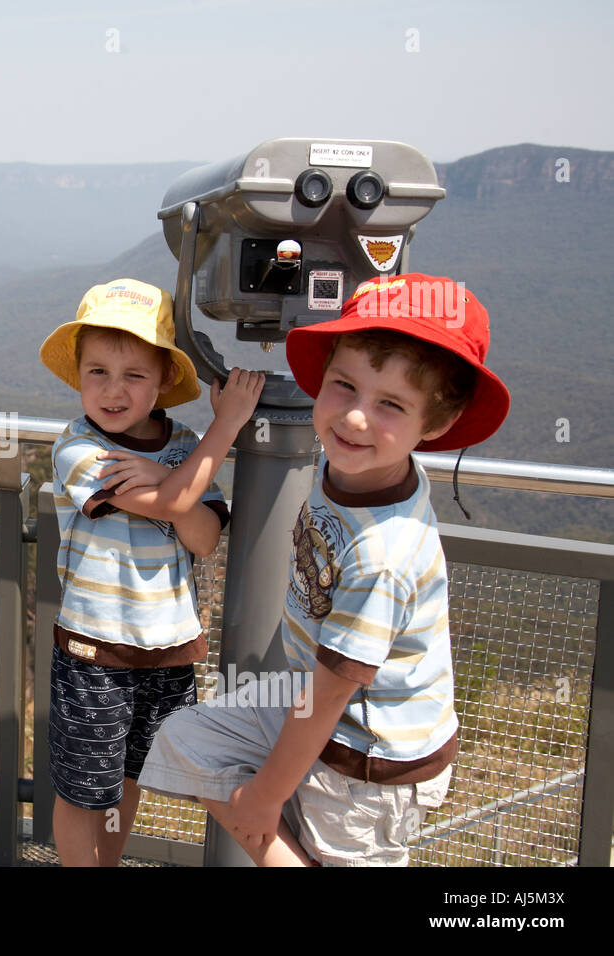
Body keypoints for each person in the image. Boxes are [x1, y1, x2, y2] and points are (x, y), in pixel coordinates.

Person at [138, 273, 511, 866]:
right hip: (305, 700)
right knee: (187, 739)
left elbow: (334, 690)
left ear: (434, 426)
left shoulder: (383, 557)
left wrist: (265, 795)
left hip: (369, 756)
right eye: (344, 387)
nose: (355, 418)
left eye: (391, 405)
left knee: (282, 812)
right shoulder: (354, 469)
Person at [38, 278, 264, 865]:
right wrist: (227, 426)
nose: (113, 391)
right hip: (94, 651)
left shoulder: (185, 443)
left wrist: (165, 477)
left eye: (134, 375)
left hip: (168, 651)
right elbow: (170, 509)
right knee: (83, 790)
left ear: (164, 380)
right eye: (98, 373)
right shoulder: (78, 446)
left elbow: (205, 536)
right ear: (78, 375)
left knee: (131, 781)